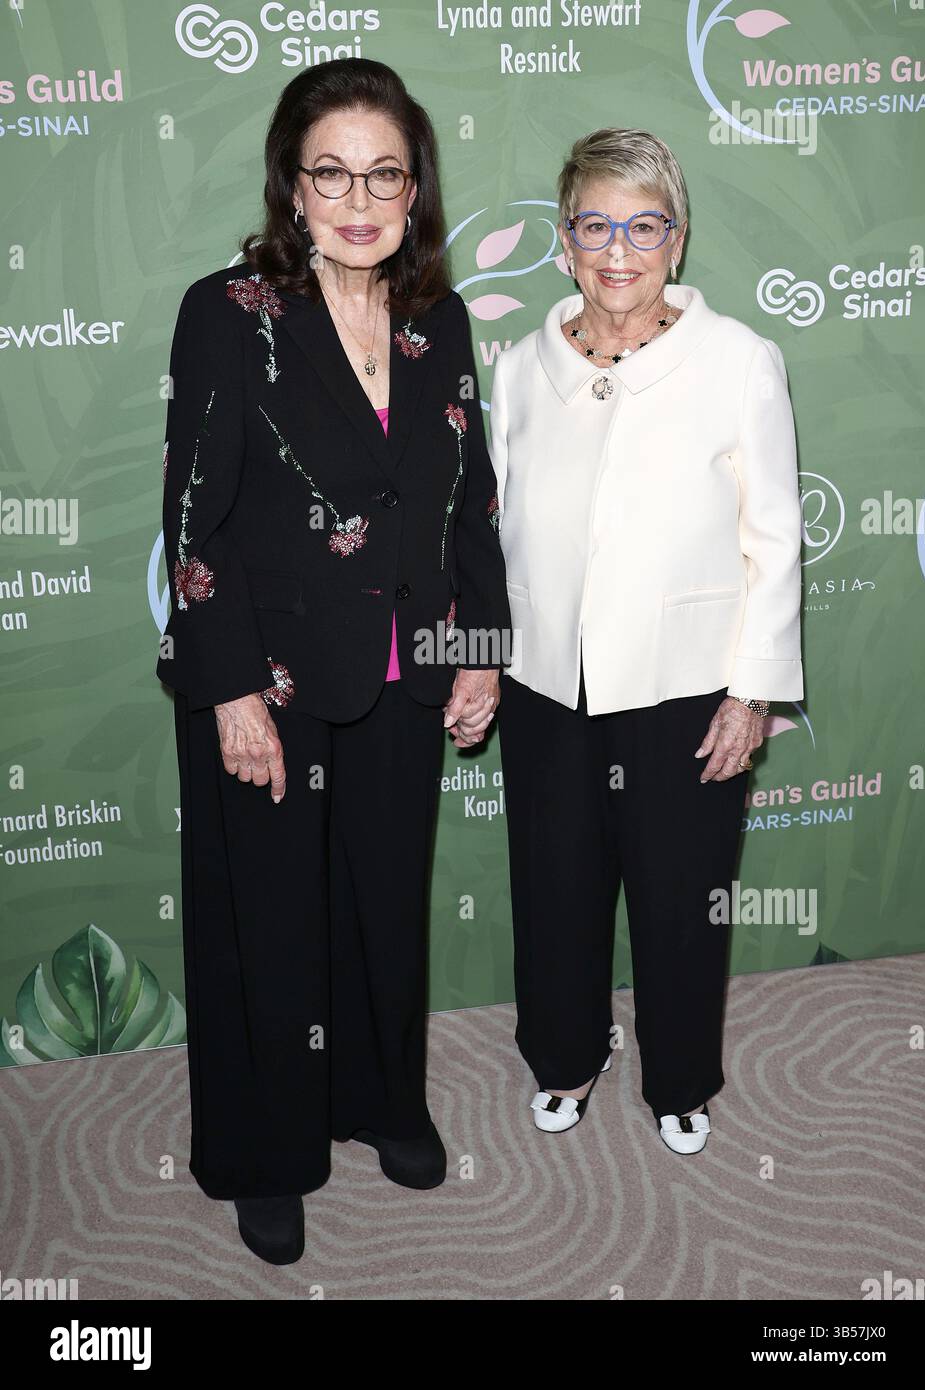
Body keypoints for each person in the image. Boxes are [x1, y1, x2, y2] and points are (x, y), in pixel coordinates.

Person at [156, 58, 509, 1263]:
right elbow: (194, 522)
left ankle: (379, 1099)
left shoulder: (437, 319)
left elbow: (468, 503)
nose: (359, 198)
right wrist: (227, 689)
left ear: (415, 189)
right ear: (292, 186)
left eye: (385, 174)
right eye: (332, 173)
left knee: (381, 899)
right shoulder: (229, 313)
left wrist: (476, 652)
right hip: (271, 678)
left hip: (406, 668)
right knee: (268, 916)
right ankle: (266, 1149)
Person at [488, 127, 803, 1154]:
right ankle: (567, 1057)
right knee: (556, 886)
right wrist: (485, 657)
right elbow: (490, 528)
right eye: (594, 225)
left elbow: (775, 538)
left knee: (680, 898)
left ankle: (678, 1078)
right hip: (549, 683)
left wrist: (752, 693)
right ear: (565, 240)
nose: (617, 250)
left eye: (643, 225)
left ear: (677, 237)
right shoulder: (521, 364)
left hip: (687, 688)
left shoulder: (741, 361)